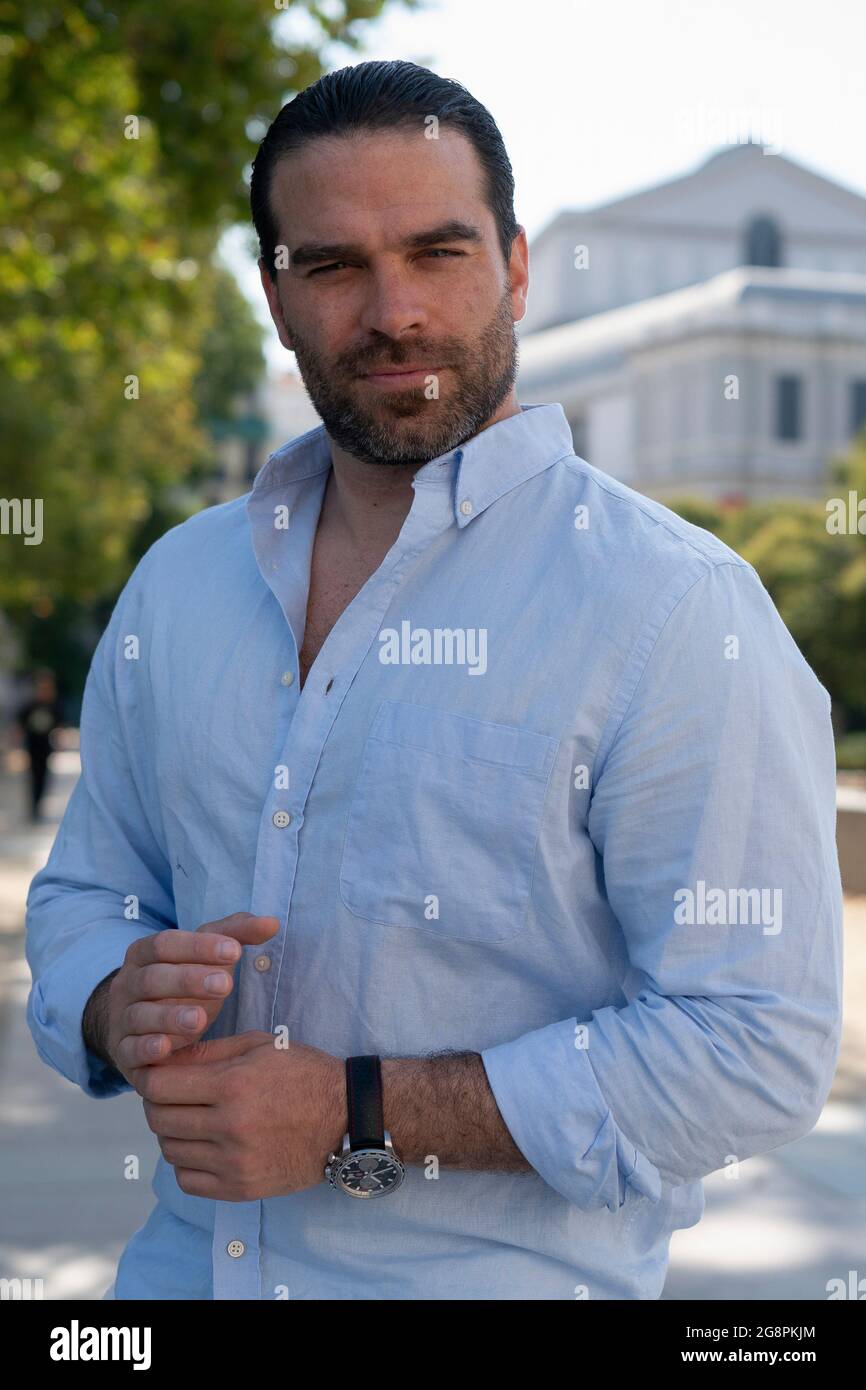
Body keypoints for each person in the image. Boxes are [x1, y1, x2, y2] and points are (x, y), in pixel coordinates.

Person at [25, 60, 842, 1301]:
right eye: (334, 265)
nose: (391, 311)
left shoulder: (672, 609)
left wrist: (358, 1108)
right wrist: (109, 998)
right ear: (276, 296)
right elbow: (89, 886)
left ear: (514, 267)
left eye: (436, 252)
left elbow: (755, 1042)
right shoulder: (179, 586)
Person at [14, 668, 62, 822]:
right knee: (33, 776)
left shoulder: (53, 706)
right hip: (32, 746)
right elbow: (20, 724)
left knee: (43, 775)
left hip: (46, 747)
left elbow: (59, 725)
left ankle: (39, 804)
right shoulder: (30, 706)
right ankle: (33, 806)